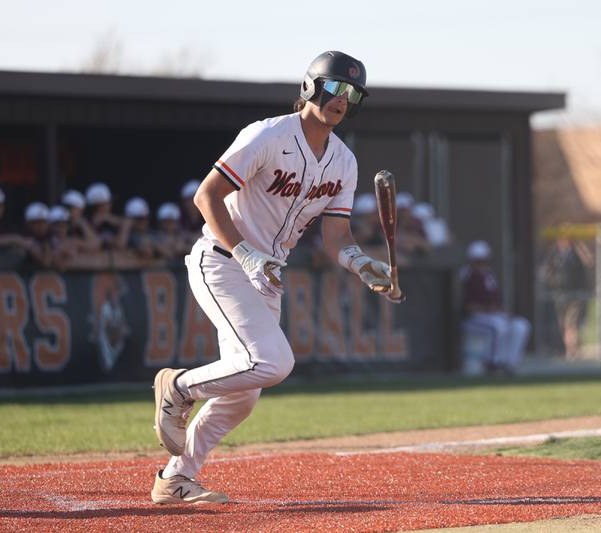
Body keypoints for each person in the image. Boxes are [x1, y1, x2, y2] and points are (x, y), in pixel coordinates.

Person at [150, 50, 400, 505]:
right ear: (311, 87)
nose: (342, 99)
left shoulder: (344, 161)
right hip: (222, 260)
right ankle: (178, 386)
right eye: (335, 87)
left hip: (267, 275)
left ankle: (175, 478)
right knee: (273, 363)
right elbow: (207, 196)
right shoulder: (267, 134)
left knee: (244, 393)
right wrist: (244, 251)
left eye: (352, 93)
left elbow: (336, 236)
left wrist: (361, 265)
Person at [461, 240, 530, 373]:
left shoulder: (489, 275)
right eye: (479, 261)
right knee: (497, 326)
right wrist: (486, 310)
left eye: (484, 260)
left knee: (521, 325)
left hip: (493, 316)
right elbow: (466, 305)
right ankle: (493, 363)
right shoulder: (466, 275)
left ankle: (510, 363)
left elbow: (496, 302)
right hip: (474, 318)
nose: (482, 264)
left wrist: (501, 311)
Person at [541, 236, 592, 359]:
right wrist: (553, 282)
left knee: (572, 324)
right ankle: (570, 349)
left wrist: (579, 244)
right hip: (559, 295)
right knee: (563, 325)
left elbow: (589, 261)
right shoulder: (553, 254)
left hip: (575, 295)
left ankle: (572, 351)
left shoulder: (576, 253)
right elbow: (545, 272)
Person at [86, 182, 123, 249]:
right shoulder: (85, 223)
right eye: (108, 202)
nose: (111, 204)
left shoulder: (111, 221)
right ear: (99, 206)